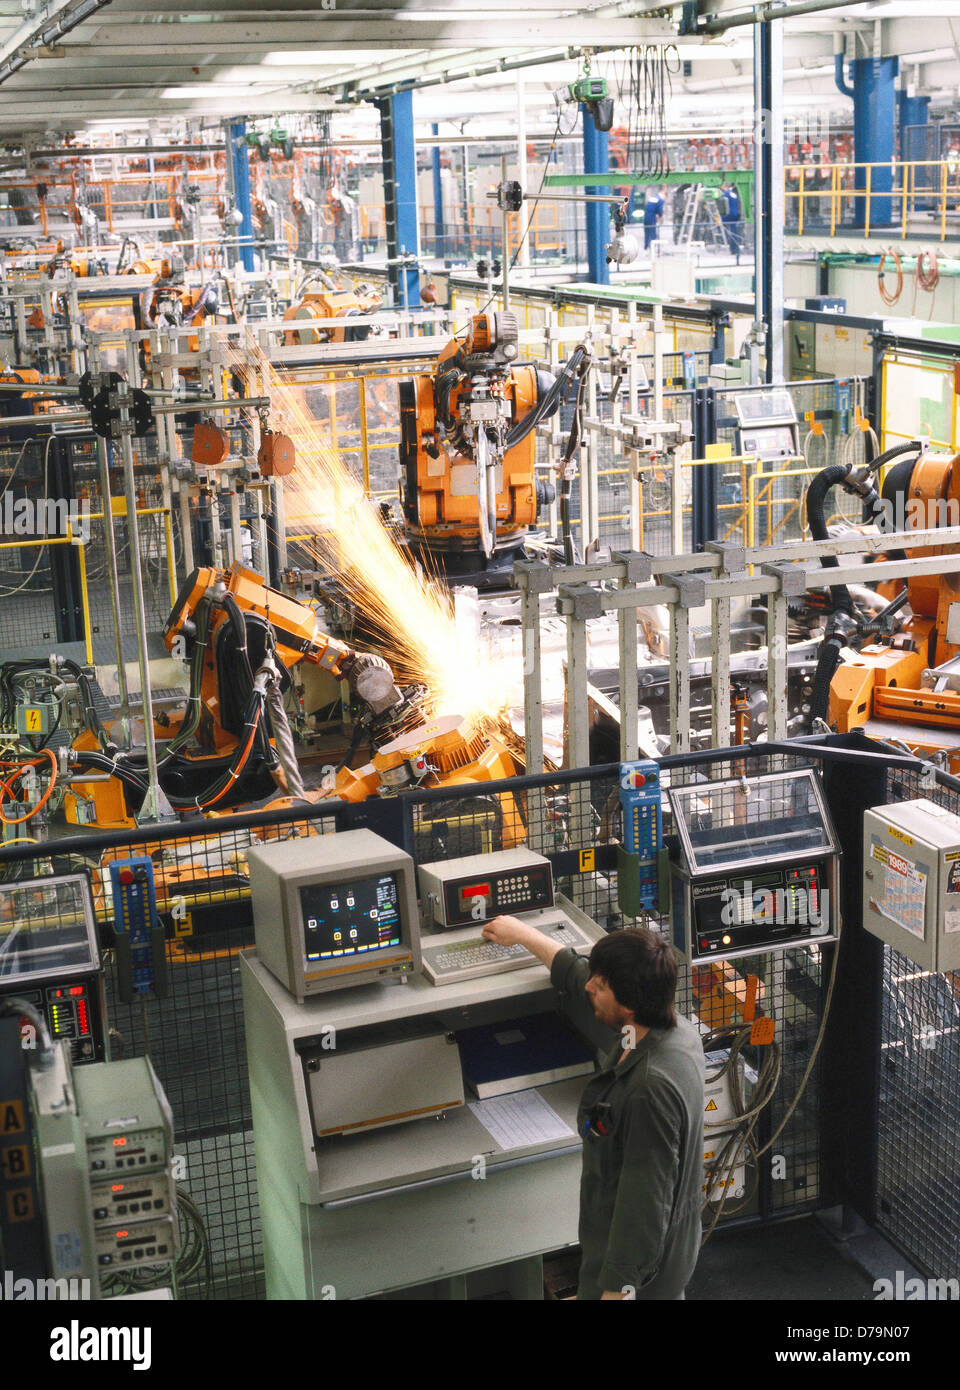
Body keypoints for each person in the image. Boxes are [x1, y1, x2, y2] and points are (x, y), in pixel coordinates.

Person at [481, 916, 705, 1300]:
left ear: (629, 1004)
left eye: (599, 987)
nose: (588, 988)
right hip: (668, 1261)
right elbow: (577, 976)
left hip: (638, 1278)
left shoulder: (647, 1090)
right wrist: (524, 936)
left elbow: (643, 1206)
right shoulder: (672, 1032)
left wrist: (616, 1291)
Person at [720, 177, 743, 262]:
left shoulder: (726, 193)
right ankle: (735, 249)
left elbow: (722, 203)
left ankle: (724, 240)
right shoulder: (733, 193)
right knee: (734, 232)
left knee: (719, 223)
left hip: (728, 215)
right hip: (735, 214)